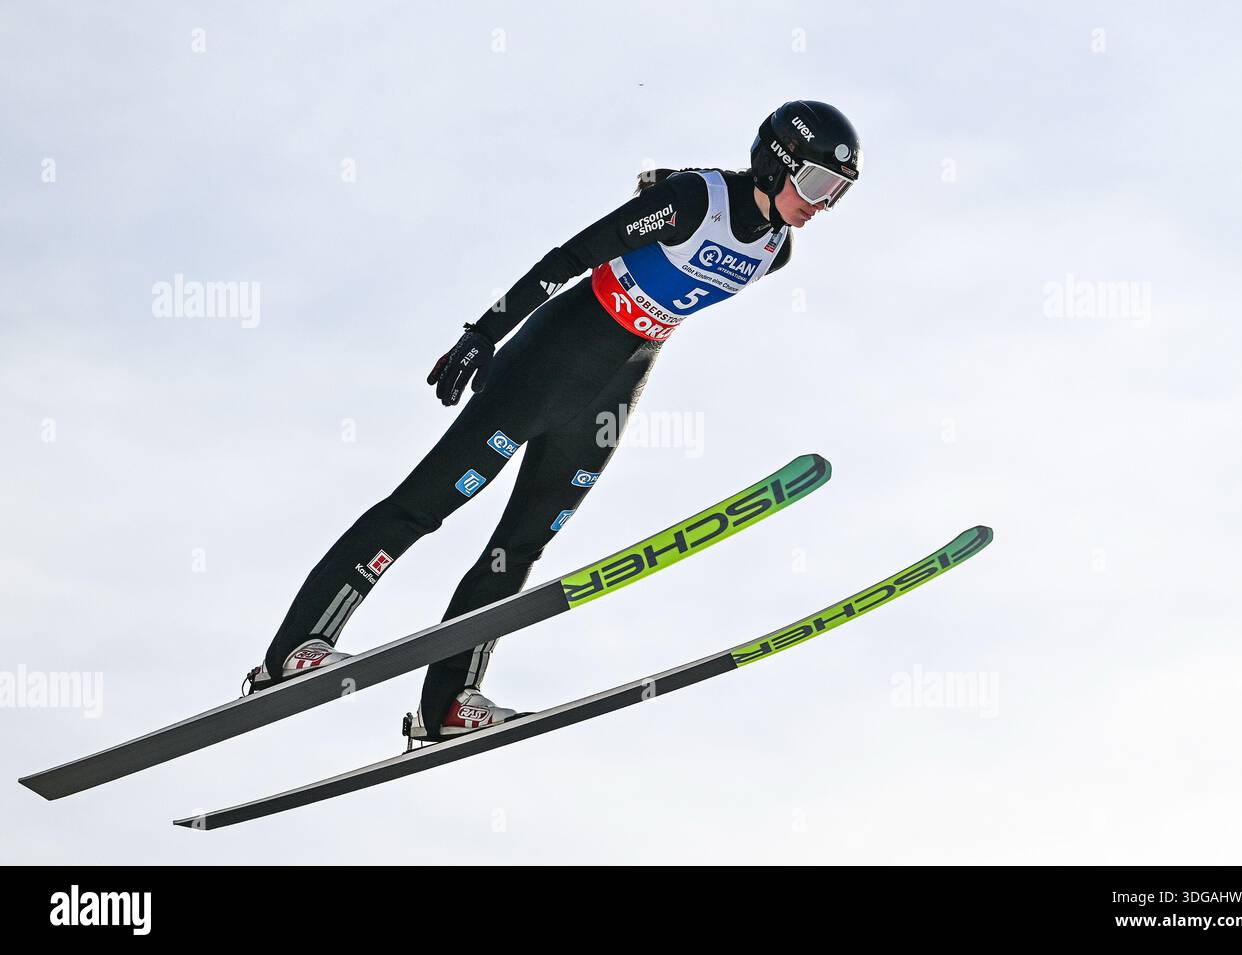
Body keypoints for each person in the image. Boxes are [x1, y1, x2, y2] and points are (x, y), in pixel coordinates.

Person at [246, 100, 862, 744]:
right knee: (421, 508)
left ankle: (449, 702)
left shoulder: (776, 250)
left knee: (522, 545)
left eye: (837, 194)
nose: (820, 204)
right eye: (817, 183)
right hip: (552, 359)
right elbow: (568, 258)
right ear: (775, 163)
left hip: (617, 385)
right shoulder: (689, 202)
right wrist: (481, 334)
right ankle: (295, 651)